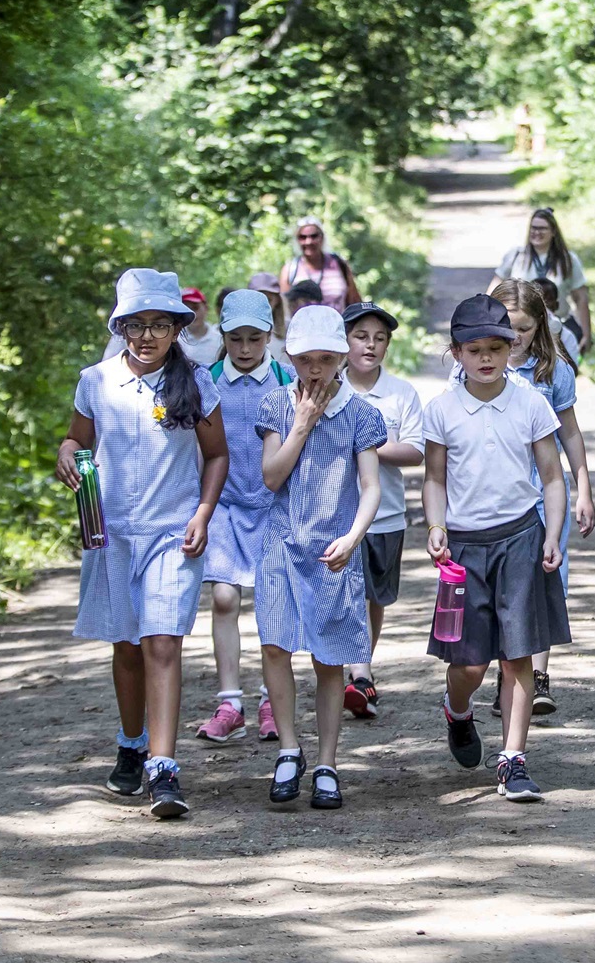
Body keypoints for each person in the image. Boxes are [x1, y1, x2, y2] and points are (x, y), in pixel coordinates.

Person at [57, 268, 226, 820]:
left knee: (162, 644)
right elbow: (78, 441)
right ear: (120, 327)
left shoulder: (196, 381)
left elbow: (217, 454)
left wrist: (203, 513)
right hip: (112, 534)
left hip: (172, 535)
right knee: (126, 647)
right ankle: (131, 744)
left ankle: (164, 767)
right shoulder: (96, 381)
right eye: (136, 324)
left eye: (159, 324)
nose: (147, 335)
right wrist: (65, 453)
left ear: (178, 327)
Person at [423, 295, 569, 802]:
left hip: (521, 539)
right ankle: (457, 710)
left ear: (512, 348)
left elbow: (552, 477)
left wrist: (552, 534)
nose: (485, 358)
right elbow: (435, 478)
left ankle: (513, 761)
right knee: (468, 665)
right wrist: (436, 525)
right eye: (473, 349)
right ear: (456, 353)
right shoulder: (442, 409)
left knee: (517, 656)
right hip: (463, 549)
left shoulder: (530, 401)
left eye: (496, 347)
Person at [254, 305, 386, 810]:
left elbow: (370, 486)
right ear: (289, 356)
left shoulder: (360, 413)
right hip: (281, 546)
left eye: (325, 358)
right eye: (305, 359)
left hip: (334, 551)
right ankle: (289, 748)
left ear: (341, 358)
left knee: (330, 660)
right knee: (274, 647)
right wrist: (302, 424)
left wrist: (354, 536)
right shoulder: (276, 406)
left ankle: (328, 761)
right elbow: (272, 476)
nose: (315, 369)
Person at [485, 280, 595, 719]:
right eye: (506, 328)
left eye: (524, 329)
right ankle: (507, 673)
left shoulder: (554, 371)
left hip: (544, 495)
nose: (514, 339)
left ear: (540, 326)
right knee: (501, 588)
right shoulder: (478, 368)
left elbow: (569, 432)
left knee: (546, 581)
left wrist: (583, 489)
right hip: (494, 496)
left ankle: (540, 676)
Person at [193, 291, 293, 746]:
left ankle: (274, 700)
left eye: (256, 338)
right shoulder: (205, 381)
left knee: (273, 604)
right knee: (225, 600)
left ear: (270, 337)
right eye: (237, 339)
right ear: (223, 337)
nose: (247, 348)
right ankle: (230, 702)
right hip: (226, 507)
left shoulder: (288, 379)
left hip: (275, 506)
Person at [338, 301, 425, 717]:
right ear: (344, 341)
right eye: (360, 336)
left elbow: (415, 451)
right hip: (336, 516)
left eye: (380, 338)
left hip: (387, 514)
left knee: (376, 599)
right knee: (349, 595)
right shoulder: (328, 387)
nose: (370, 345)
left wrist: (368, 445)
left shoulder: (401, 393)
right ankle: (361, 676)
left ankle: (359, 671)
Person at [491, 207, 592, 353]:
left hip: (559, 329)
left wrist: (586, 334)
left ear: (553, 231)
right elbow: (494, 292)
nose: (537, 232)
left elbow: (581, 299)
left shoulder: (568, 260)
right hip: (522, 330)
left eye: (542, 228)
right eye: (533, 227)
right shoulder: (516, 257)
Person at [282, 216, 362, 311]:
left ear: (322, 237)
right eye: (303, 237)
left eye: (314, 236)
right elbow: (284, 309)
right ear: (297, 240)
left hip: (339, 324)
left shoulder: (339, 264)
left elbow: (355, 301)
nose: (308, 241)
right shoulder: (290, 270)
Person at [527, 277, 581, 364]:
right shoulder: (521, 333)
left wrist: (556, 339)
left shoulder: (566, 336)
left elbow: (573, 372)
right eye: (538, 301)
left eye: (548, 300)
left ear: (556, 305)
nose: (544, 306)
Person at [178, 287, 223, 365]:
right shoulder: (177, 341)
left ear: (206, 308)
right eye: (186, 309)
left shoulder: (219, 340)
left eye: (196, 308)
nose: (192, 314)